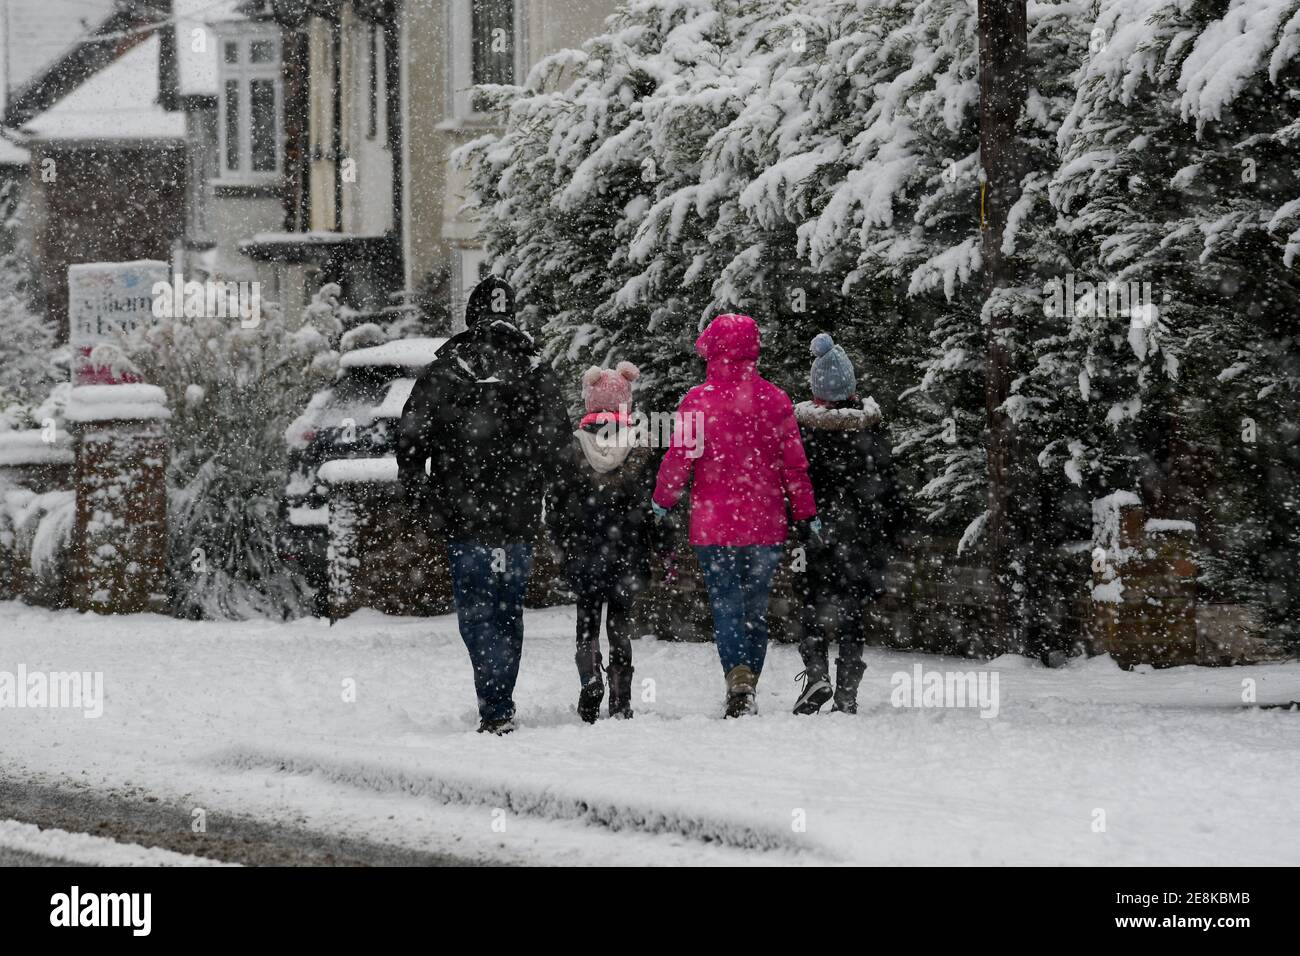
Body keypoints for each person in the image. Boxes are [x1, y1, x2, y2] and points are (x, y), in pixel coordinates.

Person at [396, 276, 571, 735]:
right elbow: (558, 442)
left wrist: (416, 487)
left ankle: (493, 702)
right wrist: (556, 493)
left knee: (477, 611)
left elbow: (413, 434)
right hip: (516, 514)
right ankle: (500, 700)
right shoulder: (535, 369)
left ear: (473, 315)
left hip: (464, 512)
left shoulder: (447, 369)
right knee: (508, 610)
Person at [651, 313, 818, 717]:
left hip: (714, 524)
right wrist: (806, 513)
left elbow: (680, 458)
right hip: (766, 523)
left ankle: (738, 679)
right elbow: (794, 466)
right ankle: (748, 681)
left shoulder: (698, 400)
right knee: (754, 606)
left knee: (726, 603)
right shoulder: (776, 400)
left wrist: (663, 500)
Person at [790, 333, 904, 715]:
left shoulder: (803, 433)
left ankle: (816, 673)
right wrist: (891, 538)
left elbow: (791, 482)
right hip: (862, 541)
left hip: (814, 536)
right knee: (854, 614)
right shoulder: (872, 433)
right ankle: (847, 690)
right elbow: (891, 494)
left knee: (810, 604)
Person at [549, 361, 662, 722]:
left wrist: (561, 543)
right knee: (620, 624)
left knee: (586, 621)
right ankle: (621, 697)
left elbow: (556, 506)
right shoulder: (641, 449)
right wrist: (656, 545)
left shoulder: (572, 448)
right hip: (627, 552)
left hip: (583, 551)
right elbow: (652, 507)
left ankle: (589, 679)